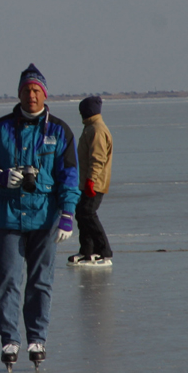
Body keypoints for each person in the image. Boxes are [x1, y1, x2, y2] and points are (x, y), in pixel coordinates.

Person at [0, 64, 80, 370]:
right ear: (19, 93)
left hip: (45, 218)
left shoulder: (60, 132)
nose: (31, 95)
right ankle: (10, 339)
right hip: (8, 218)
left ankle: (37, 338)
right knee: (7, 281)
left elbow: (70, 176)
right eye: (26, 90)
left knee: (40, 282)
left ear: (44, 94)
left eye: (36, 90)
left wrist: (68, 214)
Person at [68, 96, 113, 266]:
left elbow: (98, 158)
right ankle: (87, 251)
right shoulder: (91, 127)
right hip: (86, 181)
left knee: (88, 214)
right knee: (82, 213)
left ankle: (104, 252)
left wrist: (91, 181)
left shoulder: (97, 129)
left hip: (94, 183)